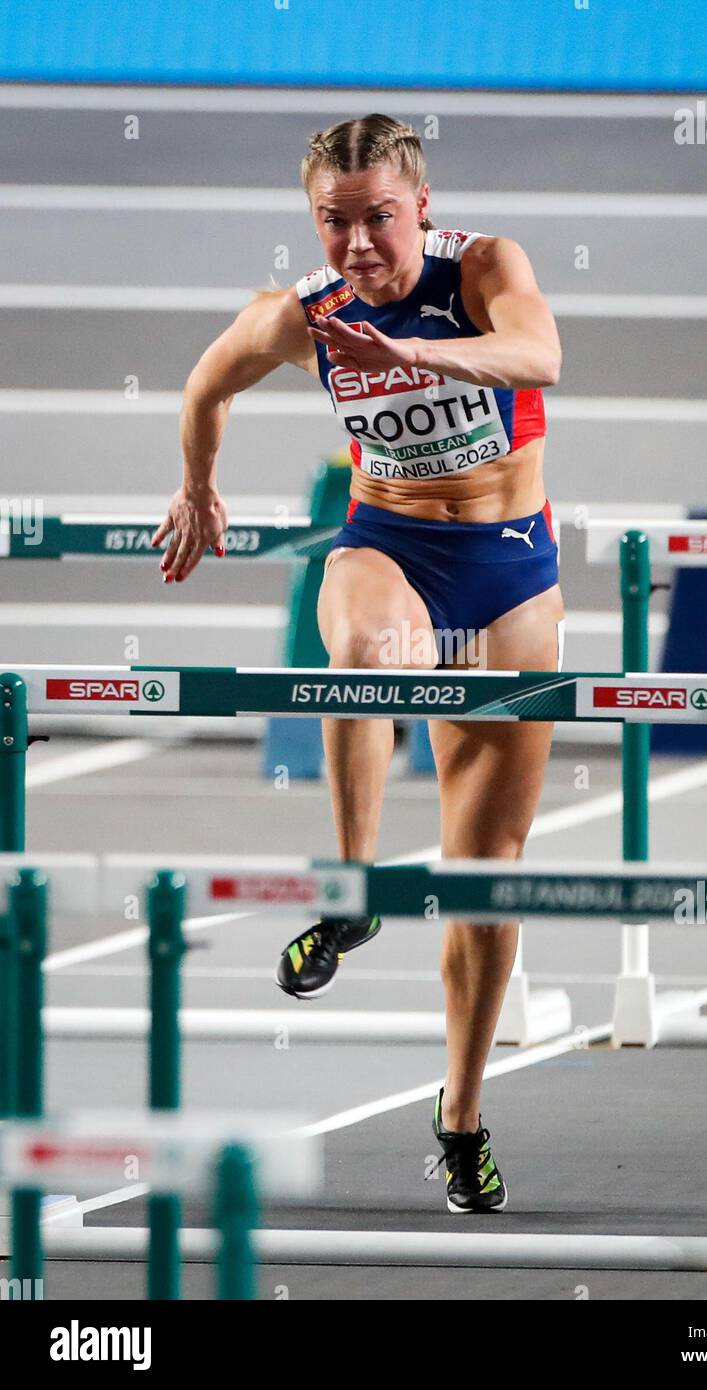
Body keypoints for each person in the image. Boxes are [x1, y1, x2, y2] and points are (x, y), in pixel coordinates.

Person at [154, 114, 564, 1214]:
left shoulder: (482, 267)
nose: (357, 246)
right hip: (387, 543)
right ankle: (349, 890)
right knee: (367, 649)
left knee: (487, 879)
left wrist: (417, 351)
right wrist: (197, 484)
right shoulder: (305, 313)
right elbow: (202, 384)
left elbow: (541, 355)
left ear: (418, 208)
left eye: (377, 218)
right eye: (332, 223)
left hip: (510, 569)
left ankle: (461, 1115)